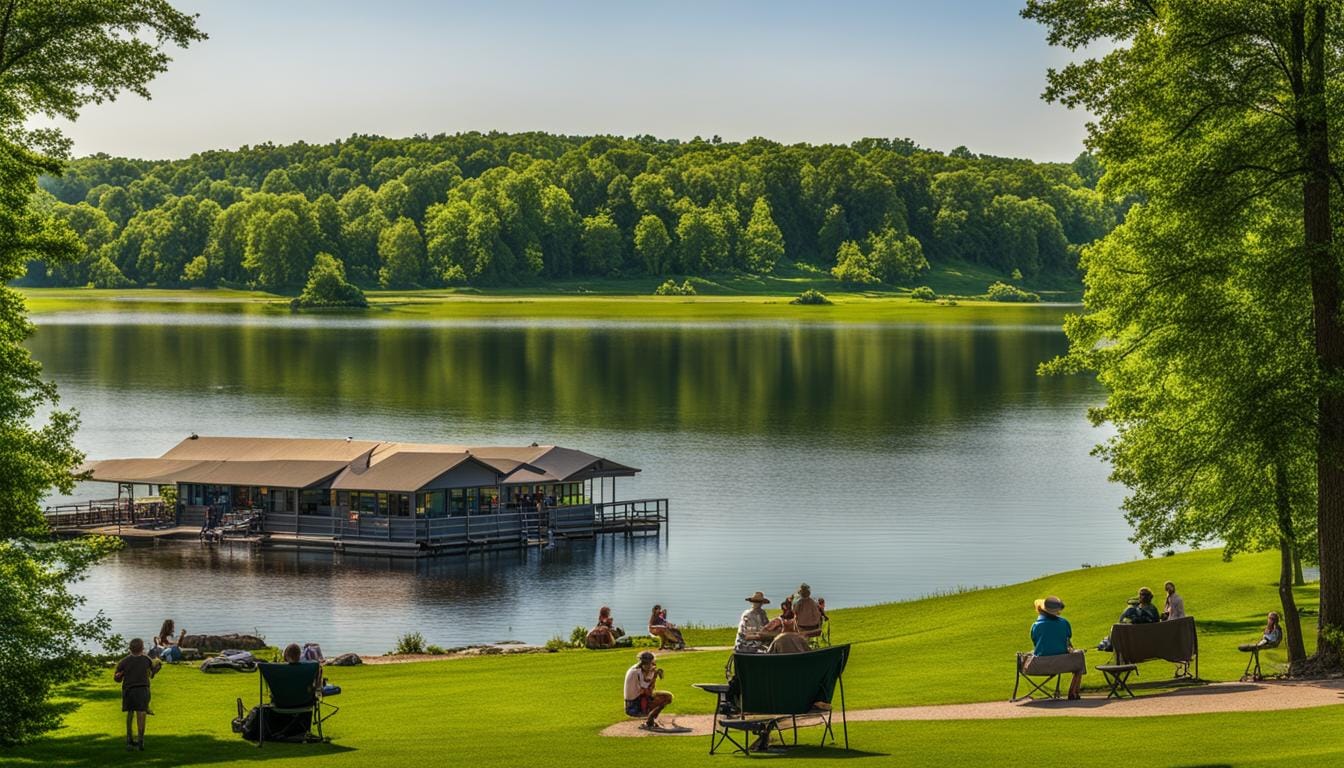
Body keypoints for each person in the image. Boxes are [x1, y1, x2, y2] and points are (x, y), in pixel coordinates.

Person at [1029, 596, 1085, 700]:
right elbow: (1068, 642)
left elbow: (1035, 643)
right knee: (1080, 659)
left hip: (1040, 664)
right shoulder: (1064, 623)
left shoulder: (1035, 626)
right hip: (1063, 663)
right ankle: (1073, 692)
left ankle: (1073, 692)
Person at [114, 638, 161, 751]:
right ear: (142, 648)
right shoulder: (146, 659)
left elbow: (116, 678)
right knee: (141, 714)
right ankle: (140, 741)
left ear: (130, 648)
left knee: (130, 714)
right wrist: (158, 666)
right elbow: (153, 672)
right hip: (143, 690)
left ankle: (129, 740)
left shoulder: (124, 661)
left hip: (129, 691)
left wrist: (119, 675)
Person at [623, 651, 673, 730]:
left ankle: (650, 720)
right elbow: (647, 689)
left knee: (666, 697)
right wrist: (655, 675)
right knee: (667, 697)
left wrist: (652, 673)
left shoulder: (637, 669)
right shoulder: (636, 671)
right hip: (634, 705)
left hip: (633, 702)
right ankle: (649, 721)